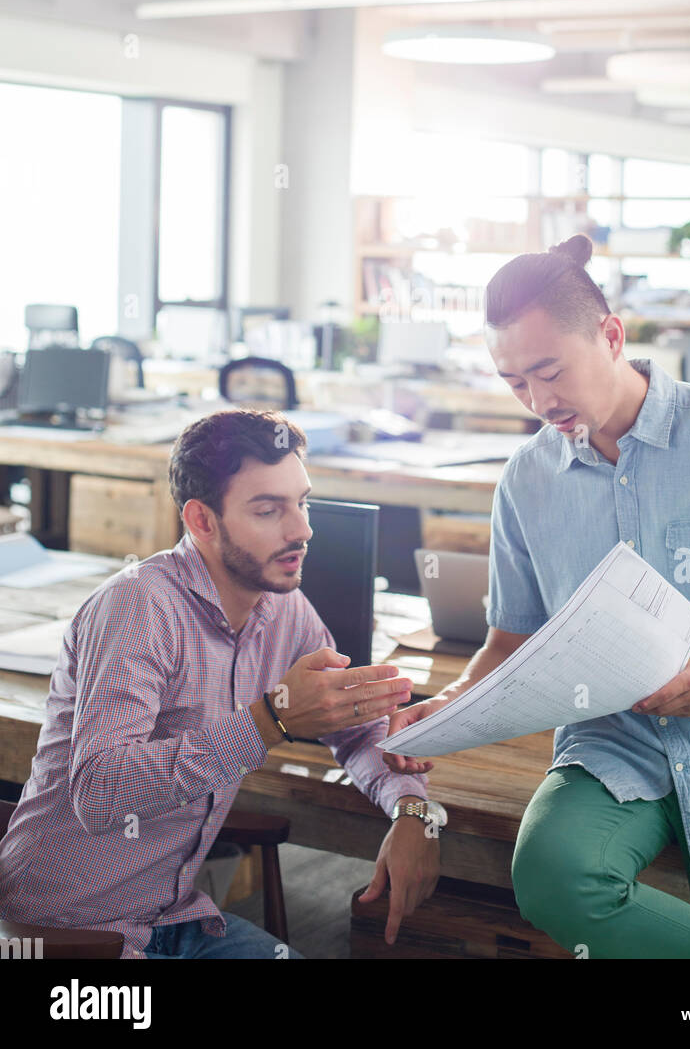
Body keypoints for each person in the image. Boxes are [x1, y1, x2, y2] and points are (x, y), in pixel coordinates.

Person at [385, 233, 690, 959]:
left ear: (611, 336)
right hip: (612, 747)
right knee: (555, 877)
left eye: (550, 371)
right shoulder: (527, 479)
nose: (539, 401)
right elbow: (509, 642)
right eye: (515, 382)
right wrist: (449, 712)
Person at [0, 408, 440, 959]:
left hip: (178, 918)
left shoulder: (285, 609)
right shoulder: (139, 607)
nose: (302, 528)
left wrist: (412, 811)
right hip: (67, 930)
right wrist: (271, 720)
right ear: (203, 522)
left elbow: (356, 730)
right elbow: (102, 792)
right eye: (268, 510)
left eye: (301, 502)